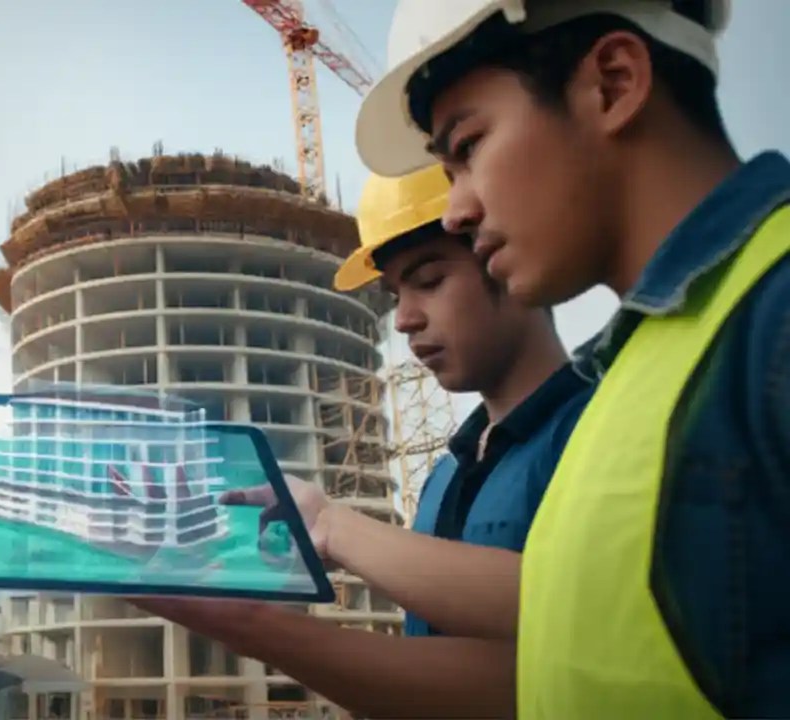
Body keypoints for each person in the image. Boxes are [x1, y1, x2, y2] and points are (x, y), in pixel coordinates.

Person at [354, 0, 788, 716]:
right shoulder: (635, 382)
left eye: (469, 146)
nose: (456, 210)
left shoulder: (769, 322)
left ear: (613, 83)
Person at [133, 165, 593, 718]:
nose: (403, 320)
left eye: (430, 280)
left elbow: (579, 645)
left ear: (508, 255)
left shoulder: (599, 431)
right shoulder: (445, 474)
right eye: (396, 294)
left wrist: (319, 542)